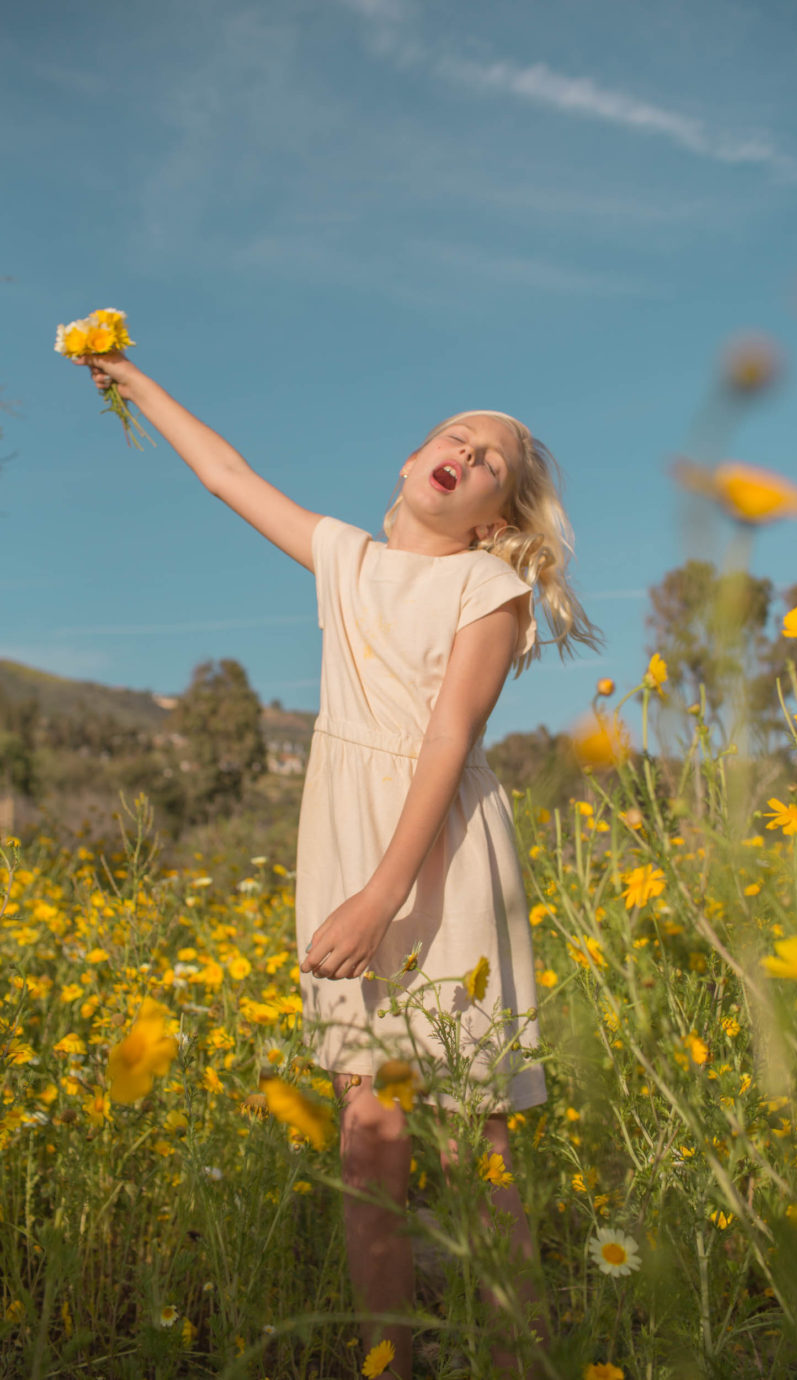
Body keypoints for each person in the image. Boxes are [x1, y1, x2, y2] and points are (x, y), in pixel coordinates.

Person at [74, 352, 601, 1377]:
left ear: (495, 516)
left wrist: (378, 896)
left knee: (464, 1140)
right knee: (368, 1132)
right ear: (412, 458)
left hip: (435, 860)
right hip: (352, 840)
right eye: (455, 434)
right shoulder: (346, 559)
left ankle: (521, 1359)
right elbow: (226, 476)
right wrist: (132, 382)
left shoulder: (487, 586)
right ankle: (385, 1363)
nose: (466, 451)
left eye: (490, 457)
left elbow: (446, 744)